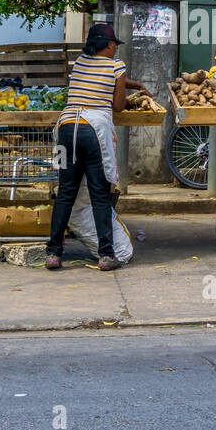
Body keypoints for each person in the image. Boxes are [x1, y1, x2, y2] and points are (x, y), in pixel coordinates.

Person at [45, 23, 148, 272]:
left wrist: (132, 84)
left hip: (67, 127)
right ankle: (106, 255)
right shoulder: (116, 66)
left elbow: (105, 79)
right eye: (114, 45)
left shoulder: (80, 63)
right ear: (110, 45)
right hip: (93, 131)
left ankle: (53, 253)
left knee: (66, 193)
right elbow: (118, 106)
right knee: (99, 194)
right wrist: (131, 91)